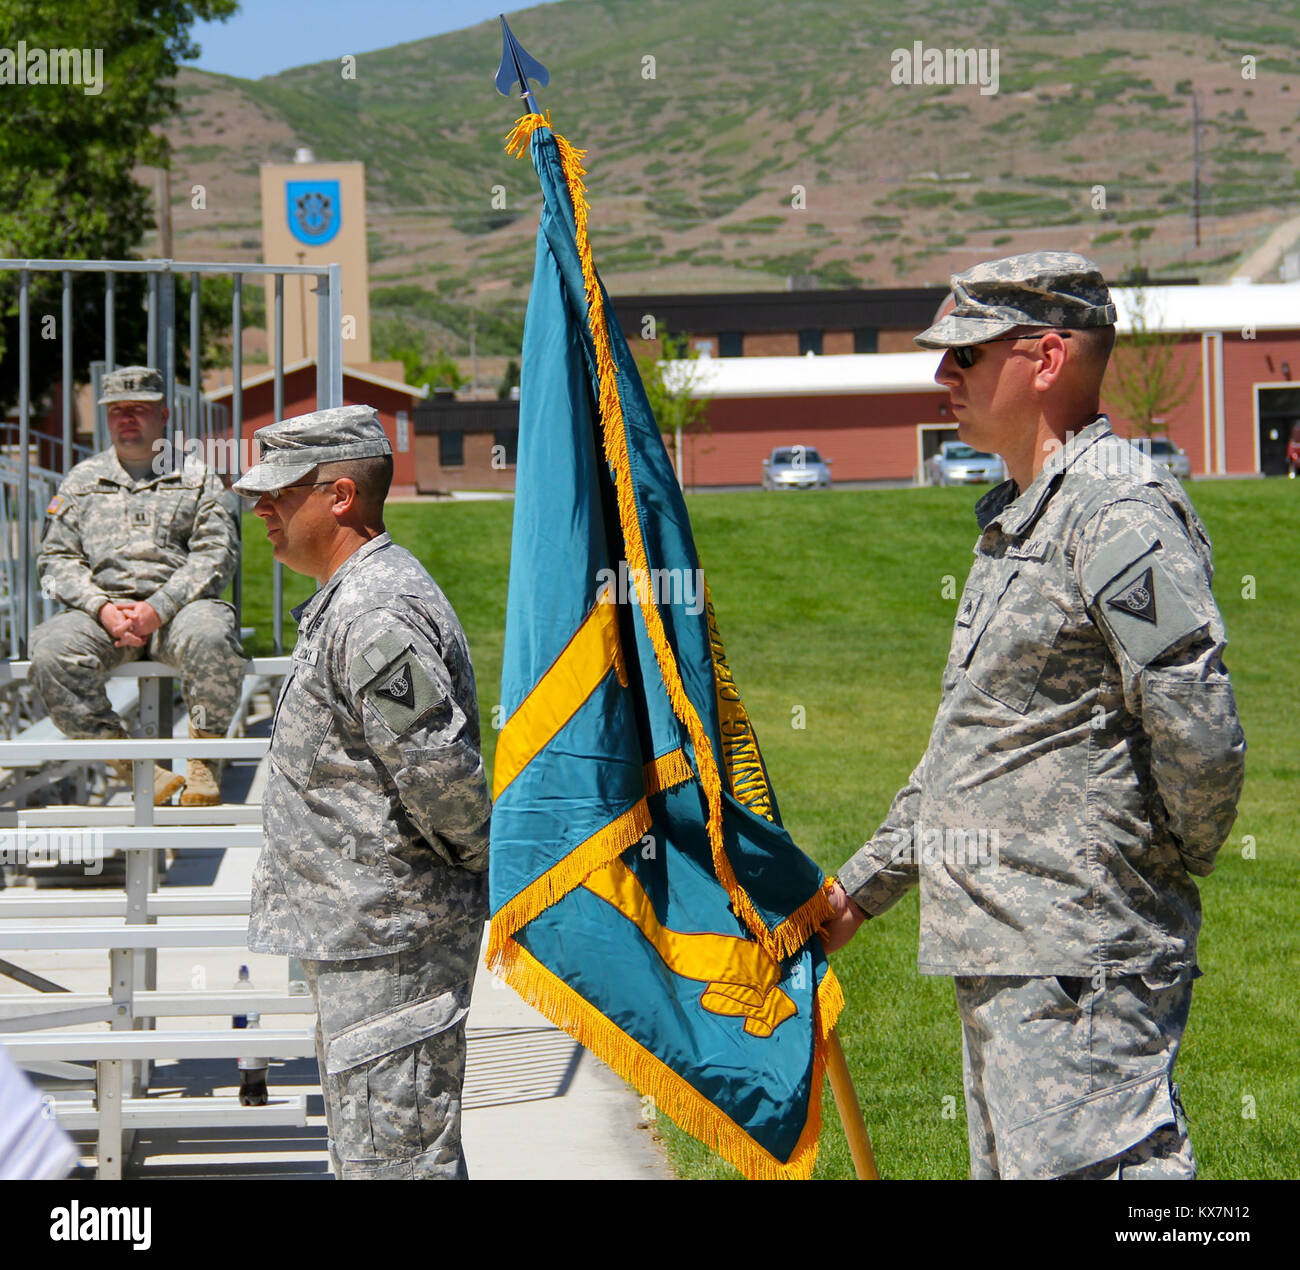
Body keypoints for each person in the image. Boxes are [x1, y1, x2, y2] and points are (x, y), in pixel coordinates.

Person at [820, 252, 1246, 1180]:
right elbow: (975, 747)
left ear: (1045, 359)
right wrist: (860, 889)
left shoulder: (1115, 515)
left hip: (1079, 954)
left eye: (965, 356)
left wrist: (1156, 860)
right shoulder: (1023, 518)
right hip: (1016, 950)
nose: (943, 377)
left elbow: (1195, 715)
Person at [232, 405, 491, 1180]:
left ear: (340, 496)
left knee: (398, 1168)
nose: (261, 508)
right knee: (379, 1161)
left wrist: (461, 875)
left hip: (393, 945)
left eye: (281, 490)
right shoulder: (350, 601)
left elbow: (444, 778)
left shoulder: (375, 614)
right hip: (368, 941)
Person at [31, 366, 244, 805]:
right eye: (117, 410)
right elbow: (54, 561)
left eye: (140, 409)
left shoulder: (198, 476)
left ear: (163, 415)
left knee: (212, 633)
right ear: (107, 418)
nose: (127, 418)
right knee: (51, 649)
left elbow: (217, 554)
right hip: (104, 617)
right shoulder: (81, 482)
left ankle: (204, 761)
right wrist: (101, 607)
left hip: (178, 614)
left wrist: (159, 607)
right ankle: (130, 764)